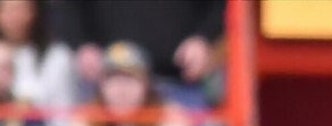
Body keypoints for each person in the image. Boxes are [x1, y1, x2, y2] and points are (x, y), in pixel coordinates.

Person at [52, 0, 224, 109]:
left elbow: (221, 5)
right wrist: (81, 44)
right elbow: (65, 6)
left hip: (177, 80)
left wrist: (203, 37)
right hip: (106, 85)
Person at [0, 0, 75, 119]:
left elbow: (63, 115)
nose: (15, 17)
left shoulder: (57, 56)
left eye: (21, 9)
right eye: (7, 10)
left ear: (34, 11)